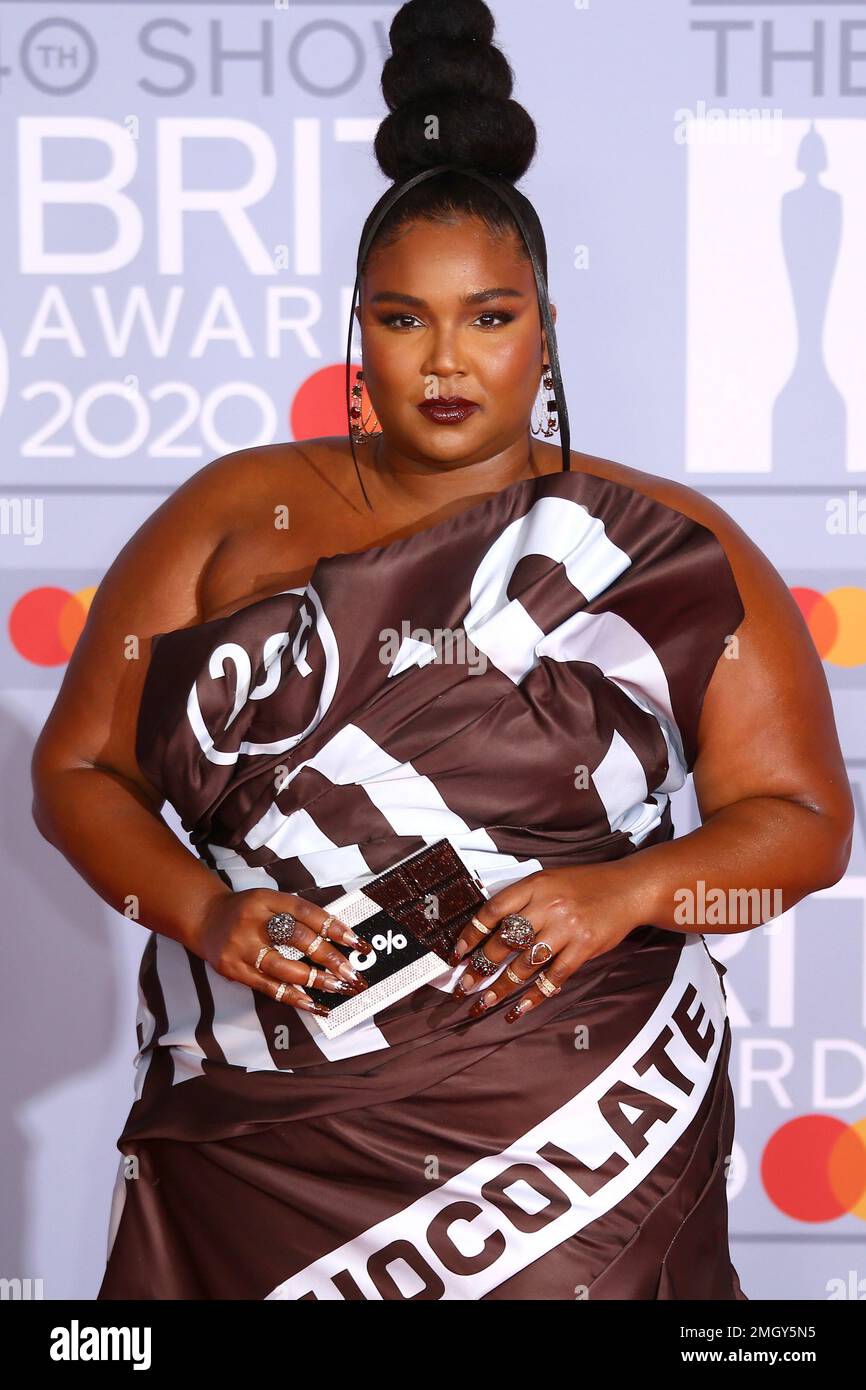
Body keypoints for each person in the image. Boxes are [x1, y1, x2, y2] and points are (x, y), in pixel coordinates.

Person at [31, 0, 852, 1301]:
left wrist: (625, 893)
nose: (446, 360)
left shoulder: (670, 544)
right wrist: (205, 908)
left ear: (545, 324)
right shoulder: (228, 513)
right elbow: (75, 771)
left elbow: (802, 822)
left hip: (575, 1143)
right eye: (403, 319)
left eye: (488, 316)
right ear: (358, 329)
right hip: (261, 1130)